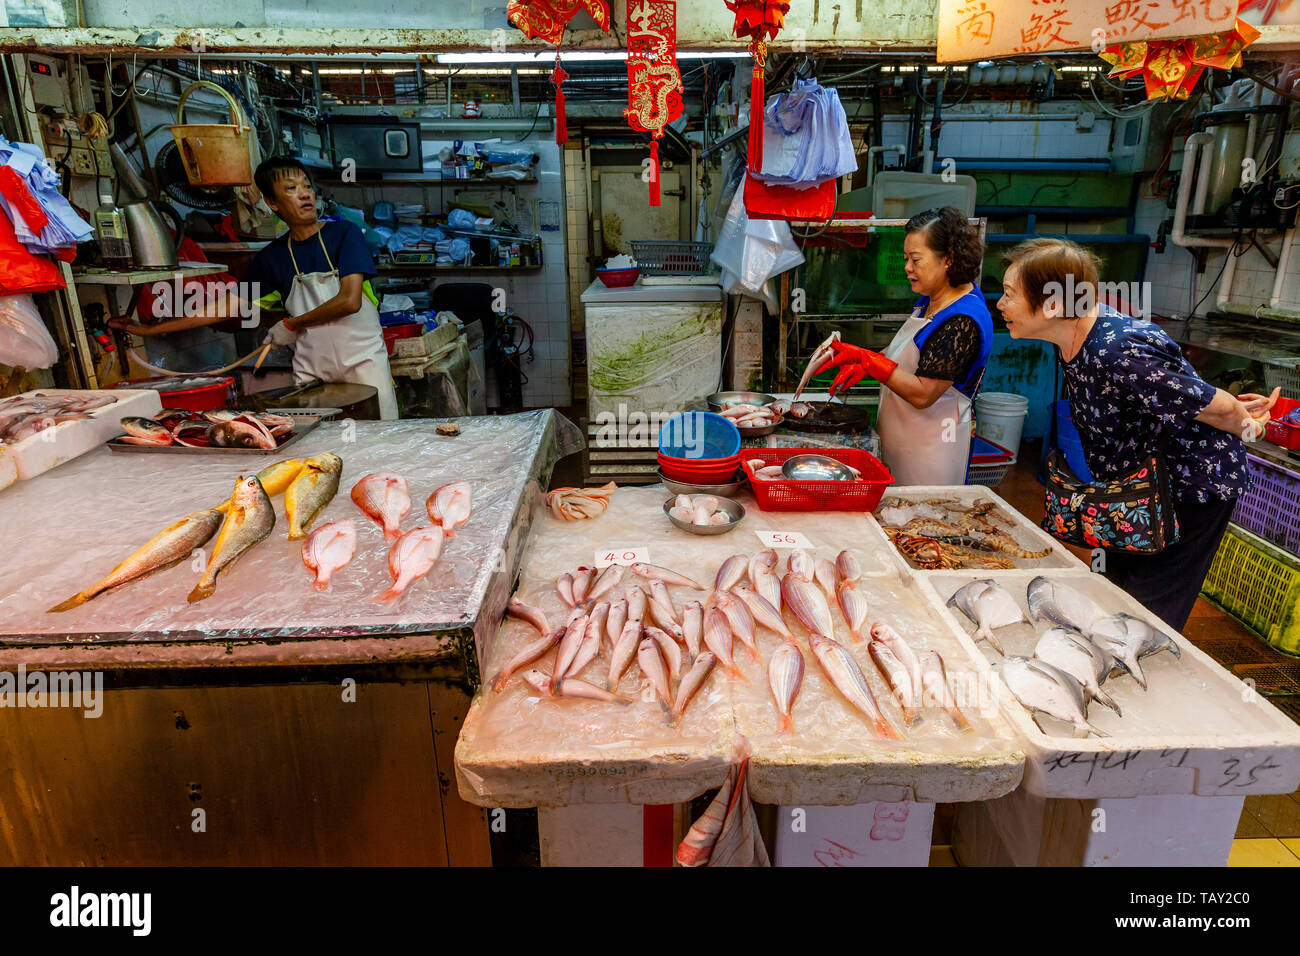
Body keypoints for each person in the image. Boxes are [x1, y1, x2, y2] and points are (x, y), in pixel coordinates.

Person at [997, 237, 1280, 631]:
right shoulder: (1072, 337)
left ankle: (1146, 674)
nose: (1000, 304)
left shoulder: (1118, 350)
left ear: (1054, 305)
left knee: (1149, 604)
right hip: (1133, 486)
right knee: (1113, 587)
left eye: (1009, 294)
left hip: (1189, 488)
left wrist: (1249, 421)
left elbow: (1219, 408)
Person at [110, 156, 398, 419]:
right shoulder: (273, 257)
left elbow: (350, 301)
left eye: (307, 186)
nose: (304, 193)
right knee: (319, 444)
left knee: (380, 436)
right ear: (272, 203)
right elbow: (222, 308)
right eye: (291, 188)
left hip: (363, 362)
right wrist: (148, 330)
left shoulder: (344, 234)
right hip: (313, 369)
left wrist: (291, 324)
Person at [820, 206, 993, 485]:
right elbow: (907, 356)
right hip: (900, 442)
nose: (907, 268)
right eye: (905, 258)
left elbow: (924, 394)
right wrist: (867, 364)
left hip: (931, 454)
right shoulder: (930, 298)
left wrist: (868, 361)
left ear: (947, 259)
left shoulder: (963, 320)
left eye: (915, 259)